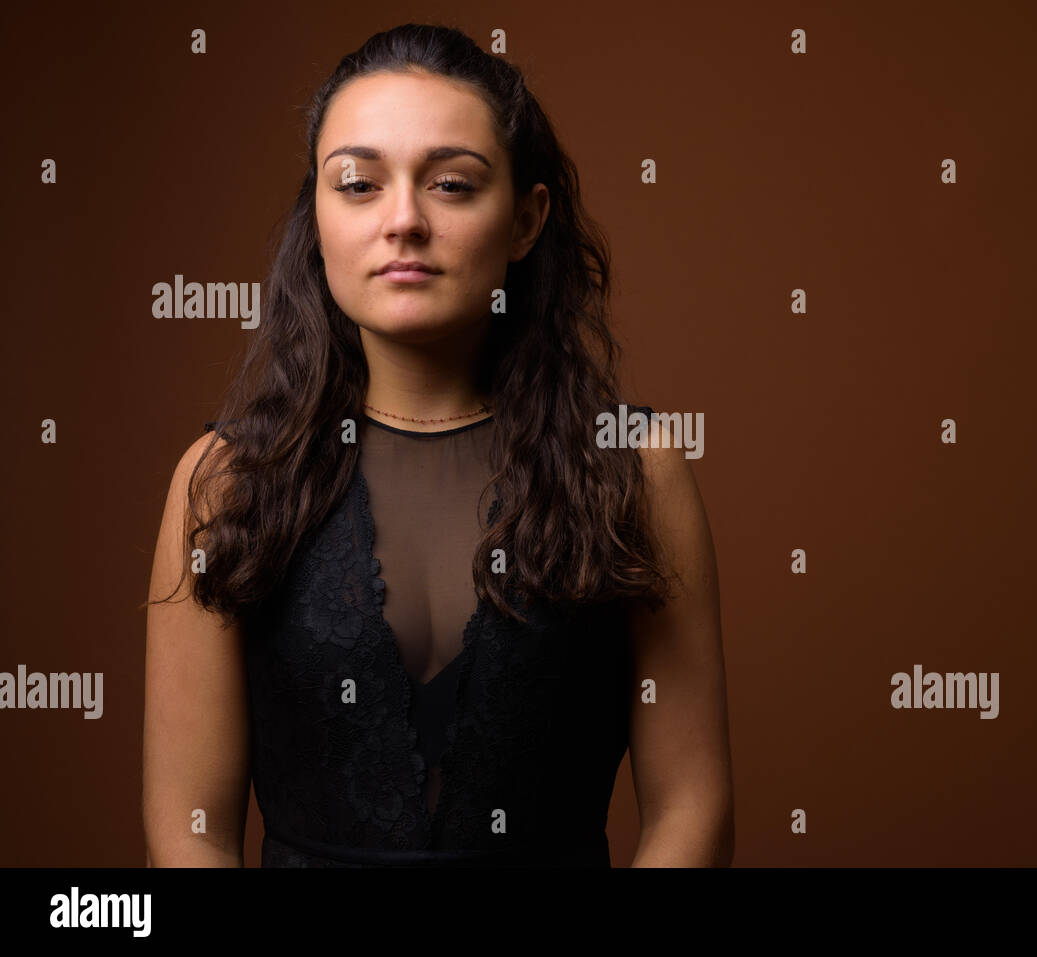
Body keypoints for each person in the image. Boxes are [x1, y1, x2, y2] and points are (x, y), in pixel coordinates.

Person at [142, 23, 732, 867]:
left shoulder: (636, 472)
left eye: (452, 184)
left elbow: (693, 810)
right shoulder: (223, 482)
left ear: (526, 220)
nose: (404, 221)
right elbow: (187, 832)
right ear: (317, 215)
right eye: (358, 184)